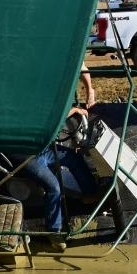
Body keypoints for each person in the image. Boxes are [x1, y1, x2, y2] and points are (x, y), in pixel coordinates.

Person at [25, 105, 100, 252]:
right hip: (27, 158)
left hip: (43, 149)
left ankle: (90, 194)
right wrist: (74, 111)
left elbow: (54, 117)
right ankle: (54, 232)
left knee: (73, 157)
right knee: (53, 187)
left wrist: (75, 110)